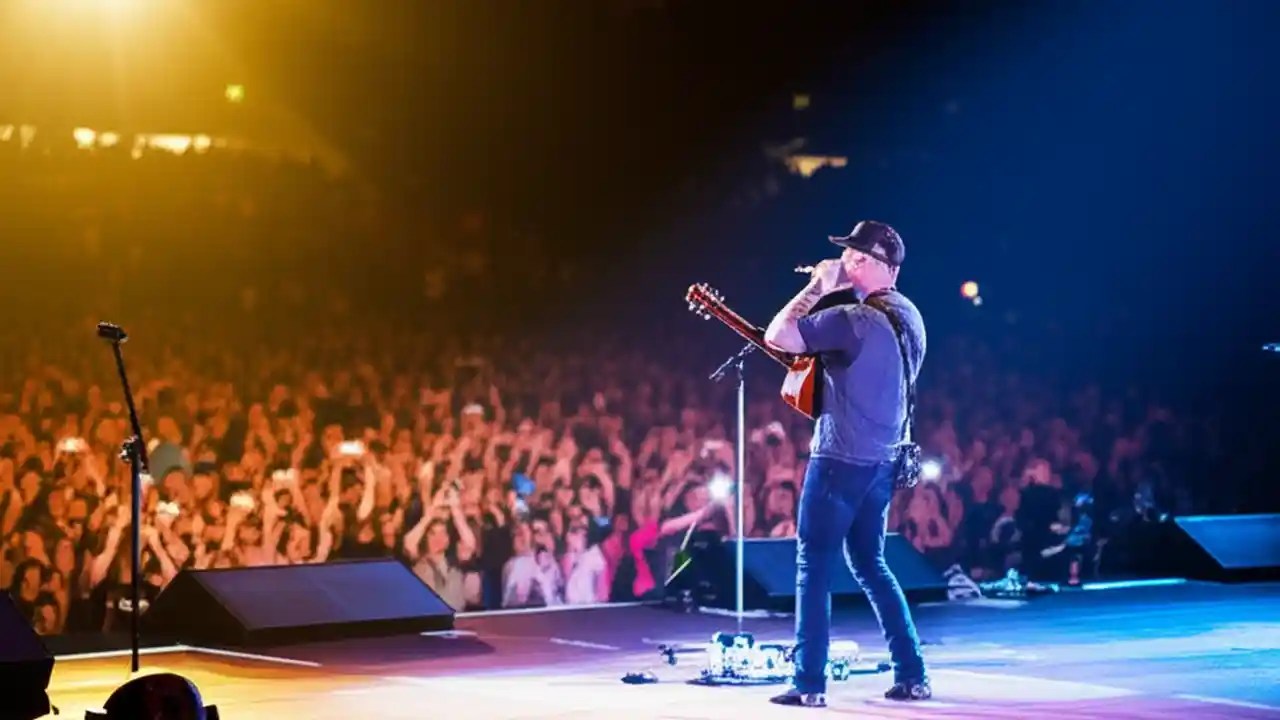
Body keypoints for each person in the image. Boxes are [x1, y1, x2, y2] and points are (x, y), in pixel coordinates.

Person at [762, 220, 930, 707]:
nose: (846, 264)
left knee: (813, 564)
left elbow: (778, 335)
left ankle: (809, 683)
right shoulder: (912, 316)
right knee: (871, 562)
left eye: (854, 257)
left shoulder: (851, 318)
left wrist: (818, 286)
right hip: (884, 462)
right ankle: (912, 673)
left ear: (872, 264)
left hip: (839, 459)